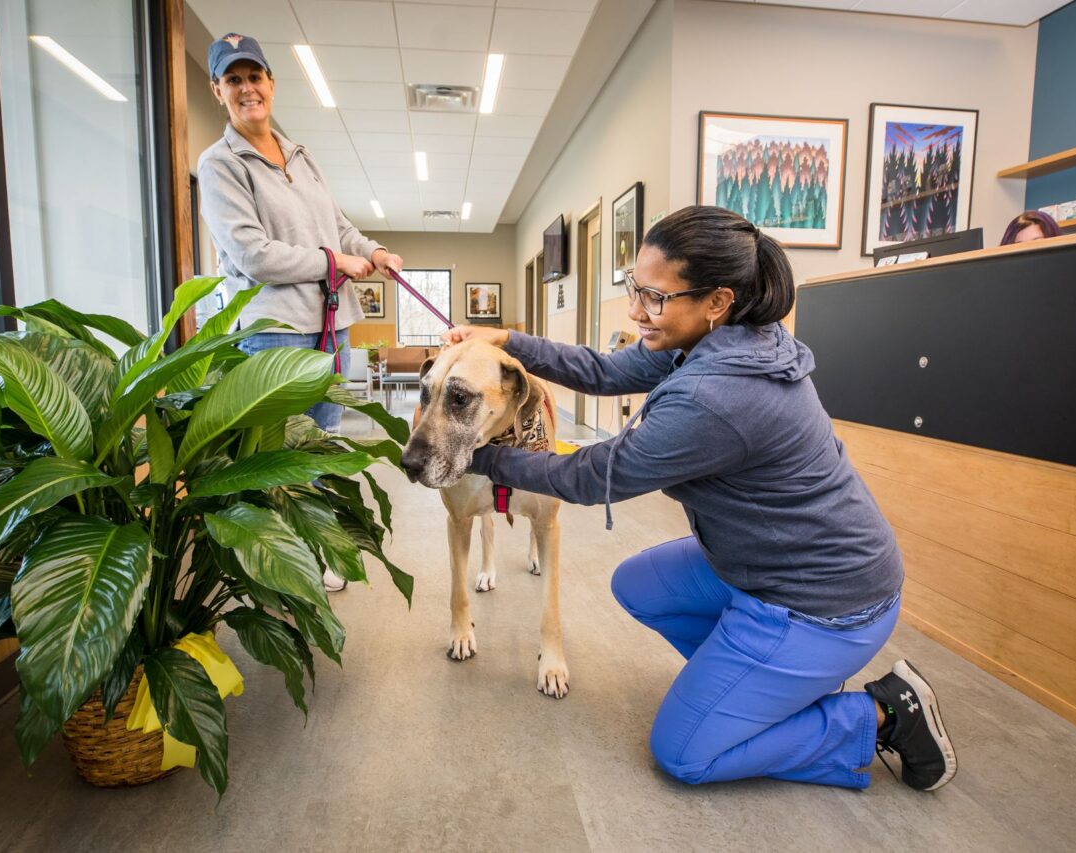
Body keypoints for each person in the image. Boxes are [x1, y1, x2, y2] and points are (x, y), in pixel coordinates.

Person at [444, 206, 957, 792]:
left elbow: (591, 476)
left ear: (716, 300)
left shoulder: (719, 395)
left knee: (684, 754)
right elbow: (604, 370)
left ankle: (883, 715)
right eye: (635, 288)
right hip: (760, 565)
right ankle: (764, 691)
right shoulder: (710, 335)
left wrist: (476, 454)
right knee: (638, 585)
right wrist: (504, 338)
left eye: (654, 298)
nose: (637, 311)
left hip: (825, 597)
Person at [198, 33, 403, 591]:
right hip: (275, 333)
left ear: (270, 82)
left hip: (330, 327)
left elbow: (338, 227)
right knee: (277, 457)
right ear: (218, 91)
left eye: (254, 76)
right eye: (233, 80)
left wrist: (372, 252)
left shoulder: (300, 155)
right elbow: (251, 254)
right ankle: (280, 568)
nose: (247, 89)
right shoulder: (220, 164)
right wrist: (331, 261)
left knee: (322, 445)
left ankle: (312, 551)